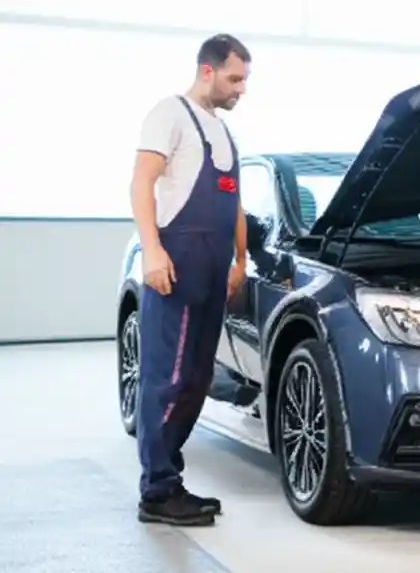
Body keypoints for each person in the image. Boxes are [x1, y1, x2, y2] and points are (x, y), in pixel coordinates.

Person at [129, 34, 251, 526]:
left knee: (197, 379)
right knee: (167, 378)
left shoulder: (223, 132)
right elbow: (141, 181)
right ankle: (156, 491)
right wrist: (152, 250)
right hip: (176, 264)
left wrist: (240, 261)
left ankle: (169, 480)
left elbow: (234, 203)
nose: (242, 89)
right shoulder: (170, 114)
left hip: (214, 268)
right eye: (235, 78)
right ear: (208, 70)